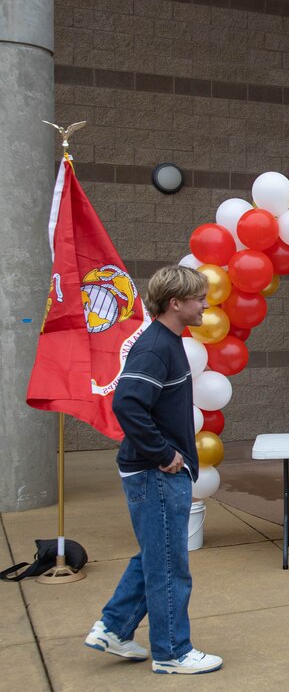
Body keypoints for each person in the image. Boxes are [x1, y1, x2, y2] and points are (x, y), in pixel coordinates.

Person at [84, 265, 223, 675]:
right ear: (175, 303)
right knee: (169, 565)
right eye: (198, 297)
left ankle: (114, 628)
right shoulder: (155, 346)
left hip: (156, 471)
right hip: (155, 473)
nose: (204, 304)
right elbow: (127, 403)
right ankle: (172, 652)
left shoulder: (168, 340)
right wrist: (164, 454)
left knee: (156, 556)